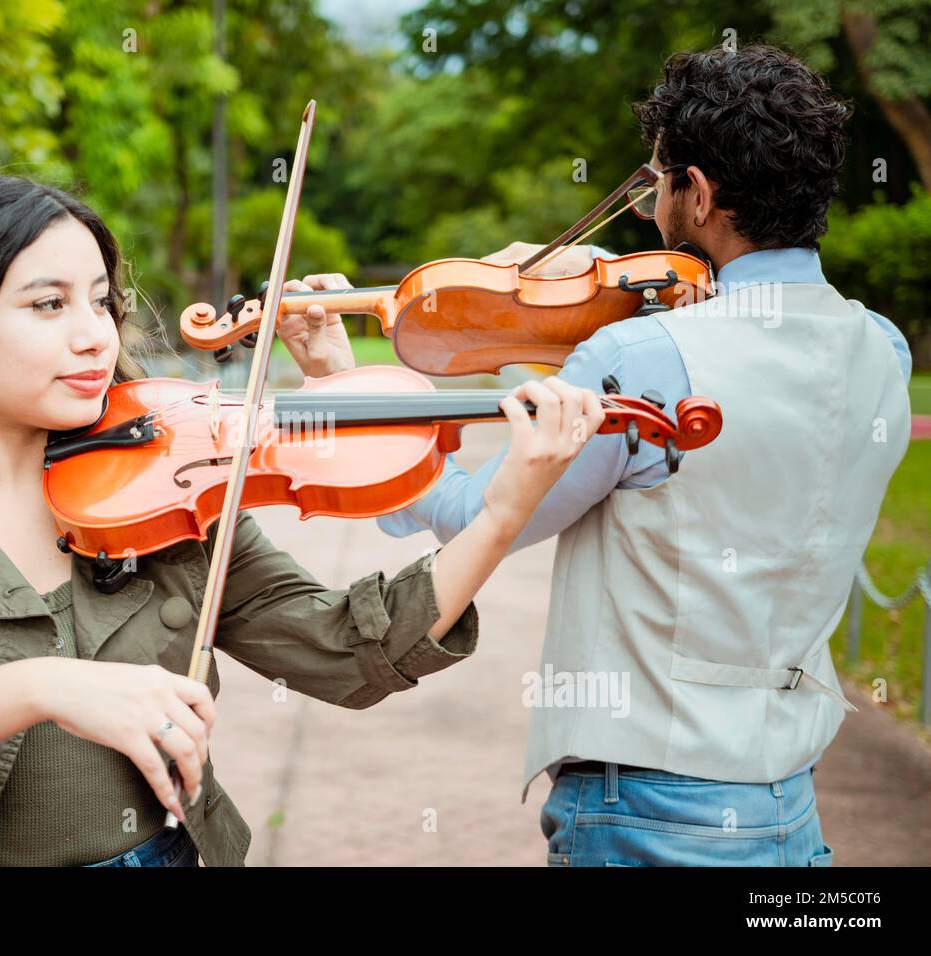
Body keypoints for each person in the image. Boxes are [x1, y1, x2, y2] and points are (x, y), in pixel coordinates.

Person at [0, 175, 605, 867]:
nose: (94, 335)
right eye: (48, 305)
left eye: (100, 301)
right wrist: (38, 686)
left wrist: (501, 511)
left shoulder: (171, 482)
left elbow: (346, 649)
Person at [277, 44, 912, 866]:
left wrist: (341, 382)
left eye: (657, 187)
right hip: (789, 798)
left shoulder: (646, 359)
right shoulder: (883, 349)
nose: (647, 214)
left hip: (650, 799)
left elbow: (480, 515)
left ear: (703, 193)